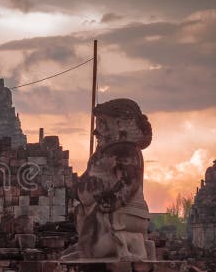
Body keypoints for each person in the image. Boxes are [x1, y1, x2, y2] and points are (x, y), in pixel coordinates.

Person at [64, 98, 156, 261]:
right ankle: (88, 248)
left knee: (95, 235)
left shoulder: (126, 150)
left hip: (122, 212)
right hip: (101, 210)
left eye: (102, 124)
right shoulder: (102, 154)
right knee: (81, 215)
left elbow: (129, 183)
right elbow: (84, 181)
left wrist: (109, 202)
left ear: (120, 124)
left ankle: (133, 242)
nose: (96, 132)